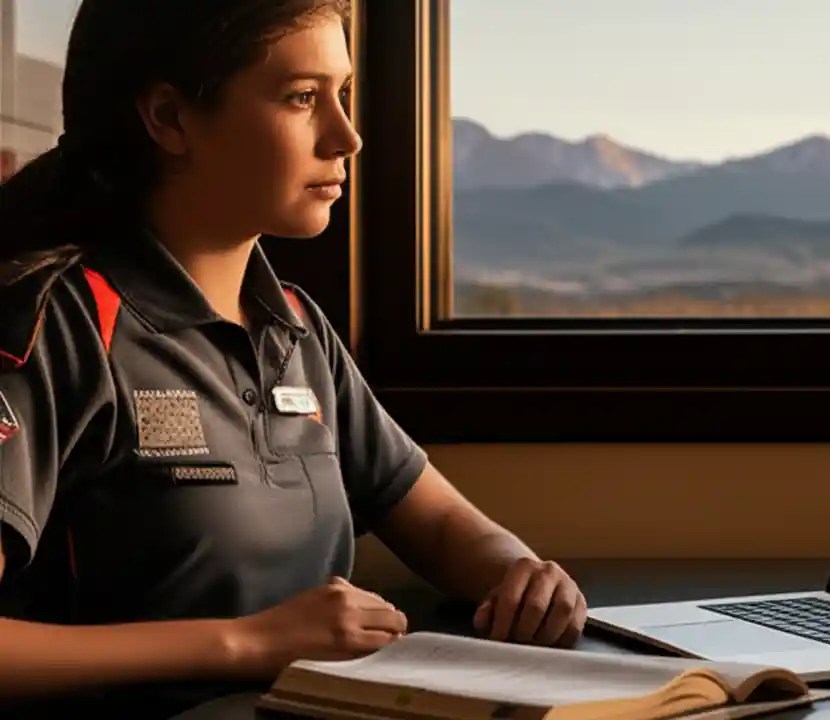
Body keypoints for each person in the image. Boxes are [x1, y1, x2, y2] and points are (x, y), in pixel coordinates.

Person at [0, 1, 587, 716]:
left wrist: (520, 574)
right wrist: (247, 643)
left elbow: (437, 524)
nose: (348, 136)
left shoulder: (299, 329)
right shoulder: (56, 326)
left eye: (342, 95)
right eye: (303, 97)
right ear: (169, 118)